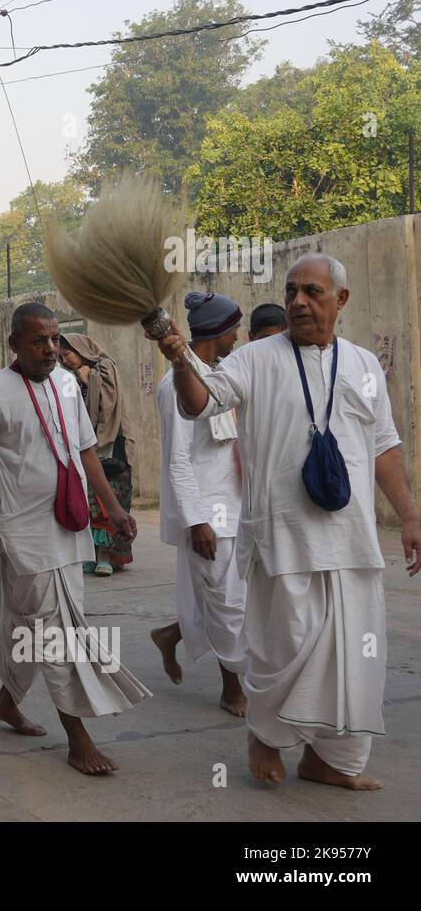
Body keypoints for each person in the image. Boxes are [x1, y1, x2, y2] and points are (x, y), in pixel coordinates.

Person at [153, 253, 420, 791]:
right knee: (284, 645)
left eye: (312, 292)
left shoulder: (365, 365)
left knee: (351, 653)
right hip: (281, 537)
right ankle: (267, 735)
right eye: (292, 290)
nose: (298, 301)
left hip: (353, 539)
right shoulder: (254, 359)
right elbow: (202, 402)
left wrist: (411, 515)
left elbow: (385, 445)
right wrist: (181, 359)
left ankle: (330, 761)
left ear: (340, 300)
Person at [0, 302, 150, 775]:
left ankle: (6, 702)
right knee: (56, 634)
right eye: (39, 340)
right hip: (23, 535)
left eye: (55, 338)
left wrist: (114, 509)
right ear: (14, 343)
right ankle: (77, 736)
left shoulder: (67, 383)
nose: (50, 348)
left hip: (70, 525)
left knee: (31, 628)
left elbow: (85, 452)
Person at [150, 293, 248, 717]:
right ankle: (233, 687)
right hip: (209, 517)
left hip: (235, 509)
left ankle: (172, 635)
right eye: (236, 330)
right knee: (228, 605)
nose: (239, 338)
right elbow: (178, 459)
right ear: (224, 331)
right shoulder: (178, 383)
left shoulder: (214, 376)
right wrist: (197, 521)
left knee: (227, 599)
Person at [57, 334, 134, 577]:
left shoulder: (104, 367)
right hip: (85, 446)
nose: (65, 360)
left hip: (111, 443)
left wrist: (89, 381)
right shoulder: (68, 377)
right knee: (91, 503)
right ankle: (97, 552)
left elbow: (110, 406)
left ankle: (106, 555)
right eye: (61, 357)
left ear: (81, 350)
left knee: (111, 500)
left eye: (67, 354)